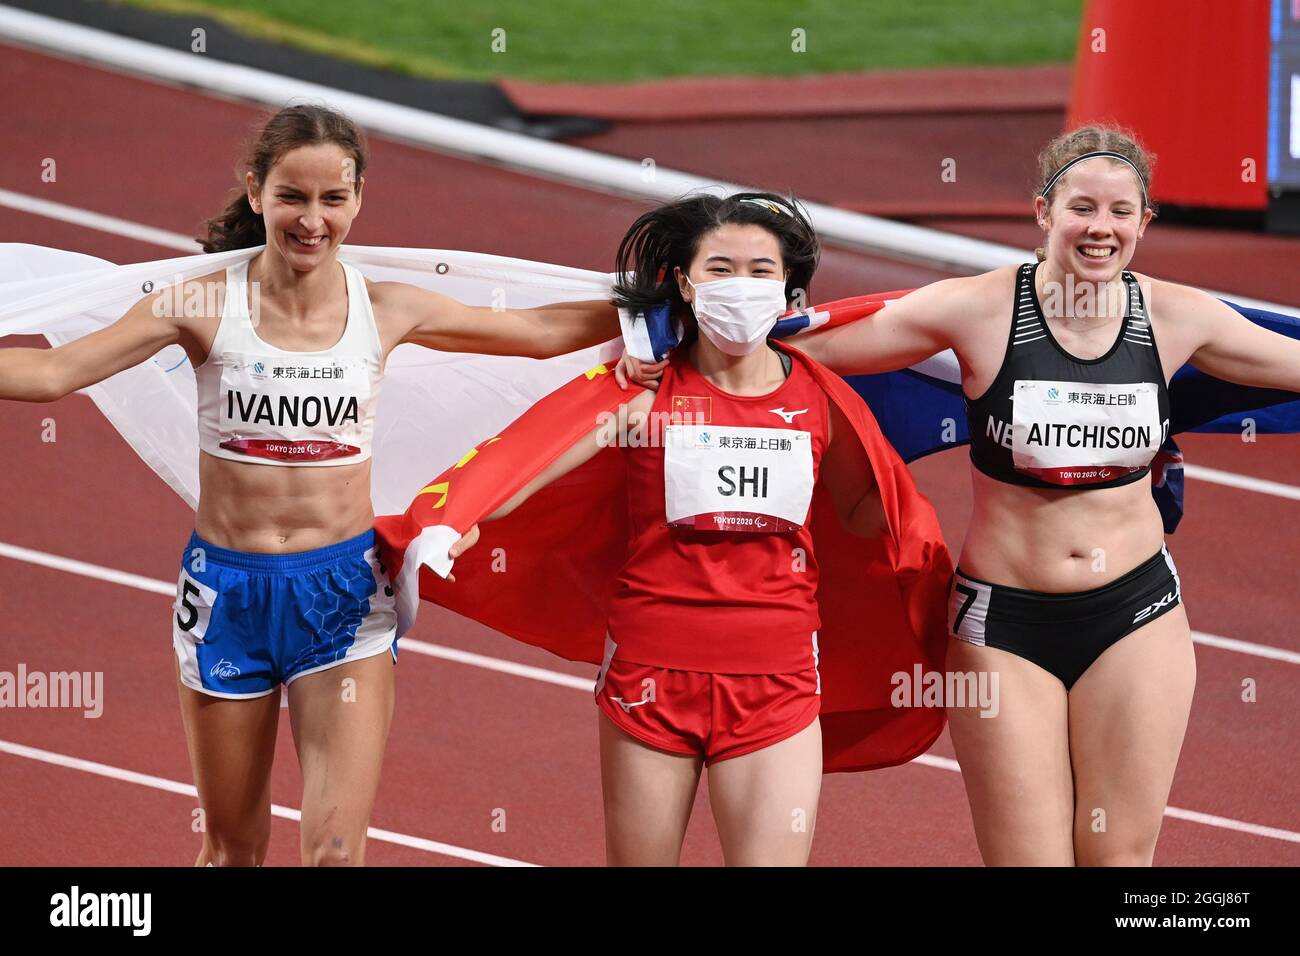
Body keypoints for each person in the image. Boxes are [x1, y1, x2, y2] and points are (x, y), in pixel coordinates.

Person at [623, 126, 1300, 865]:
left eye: (1119, 212)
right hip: (1002, 625)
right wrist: (654, 339)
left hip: (1136, 614)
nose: (1099, 228)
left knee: (1119, 858)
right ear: (1043, 212)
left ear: (1145, 222)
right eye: (1081, 207)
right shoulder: (975, 309)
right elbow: (798, 349)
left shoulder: (1179, 318)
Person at [0, 104, 621, 866]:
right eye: (294, 196)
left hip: (343, 597)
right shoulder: (200, 304)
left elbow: (537, 335)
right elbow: (52, 371)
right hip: (227, 594)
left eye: (334, 199)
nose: (313, 220)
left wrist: (662, 309)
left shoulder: (388, 307)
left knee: (333, 853)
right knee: (232, 850)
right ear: (256, 190)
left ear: (358, 200)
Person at [451, 191, 892, 866]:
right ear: (684, 283)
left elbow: (866, 512)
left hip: (776, 683)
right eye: (719, 268)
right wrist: (461, 517)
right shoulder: (642, 390)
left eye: (759, 270)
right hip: (651, 676)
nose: (739, 285)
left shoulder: (820, 394)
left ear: (788, 289)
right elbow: (530, 462)